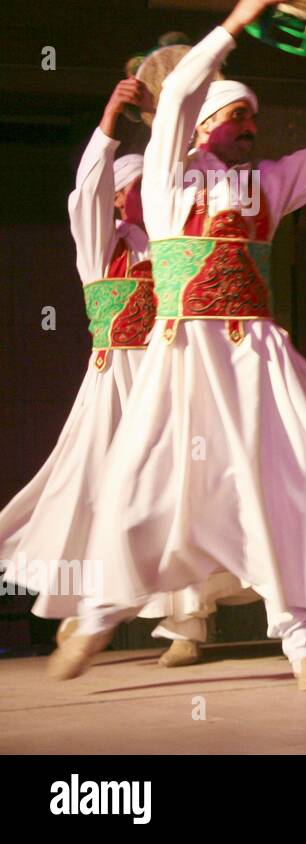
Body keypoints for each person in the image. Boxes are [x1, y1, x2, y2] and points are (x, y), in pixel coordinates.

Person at [48, 0, 306, 692]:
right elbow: (172, 101)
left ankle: (301, 644)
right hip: (179, 356)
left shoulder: (269, 182)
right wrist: (236, 21)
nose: (250, 129)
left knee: (280, 486)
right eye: (237, 117)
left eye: (252, 120)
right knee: (144, 486)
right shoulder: (168, 178)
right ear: (205, 125)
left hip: (254, 353)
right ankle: (99, 618)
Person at [0, 78, 244, 666]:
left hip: (166, 379)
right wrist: (112, 118)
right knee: (88, 493)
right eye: (130, 189)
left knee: (177, 491)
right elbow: (84, 190)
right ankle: (88, 603)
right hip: (110, 385)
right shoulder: (97, 247)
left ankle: (187, 626)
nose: (138, 197)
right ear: (116, 198)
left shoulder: (171, 241)